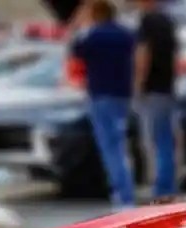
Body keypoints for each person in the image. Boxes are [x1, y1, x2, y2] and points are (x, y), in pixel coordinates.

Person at [71, 0, 136, 208]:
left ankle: (121, 193)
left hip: (100, 94)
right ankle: (126, 191)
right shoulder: (125, 34)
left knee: (110, 146)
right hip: (122, 94)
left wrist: (80, 25)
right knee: (120, 143)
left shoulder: (93, 36)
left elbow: (75, 51)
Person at [134, 0, 179, 203]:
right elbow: (175, 55)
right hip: (166, 87)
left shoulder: (147, 21)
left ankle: (160, 189)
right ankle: (168, 187)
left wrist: (138, 83)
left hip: (152, 89)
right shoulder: (167, 21)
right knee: (165, 141)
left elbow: (144, 54)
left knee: (153, 140)